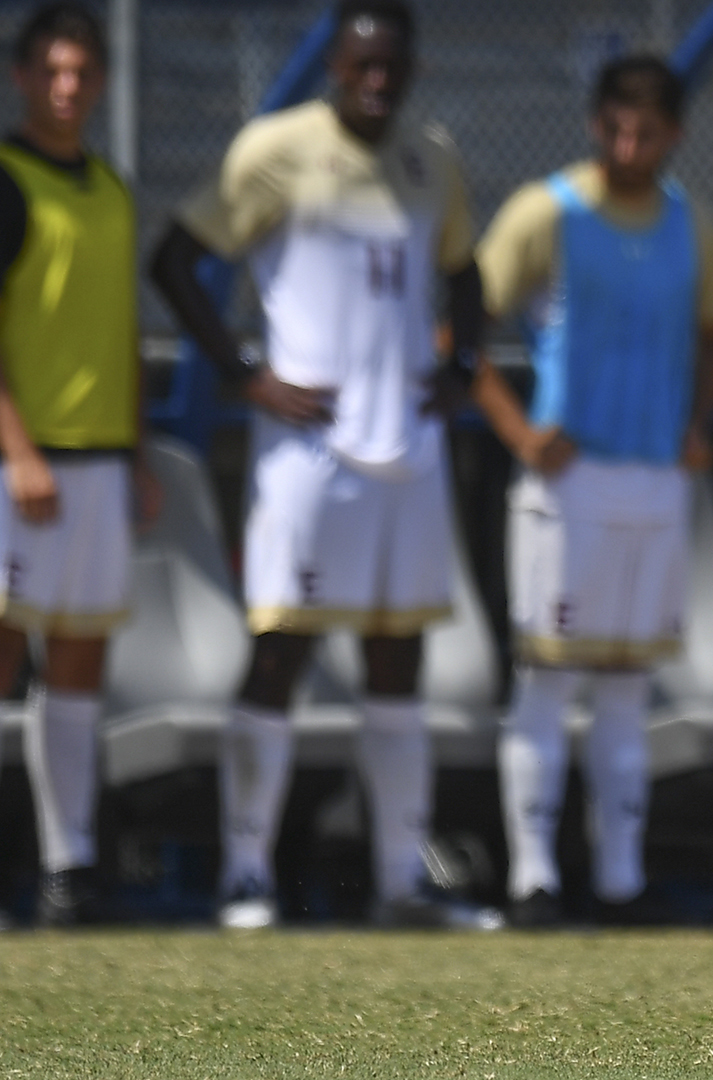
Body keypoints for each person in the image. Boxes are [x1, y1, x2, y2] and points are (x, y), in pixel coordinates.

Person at [149, 0, 496, 930]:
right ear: (335, 67)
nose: (376, 81)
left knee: (399, 658)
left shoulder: (432, 158)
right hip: (309, 453)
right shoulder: (272, 149)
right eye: (360, 66)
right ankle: (247, 874)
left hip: (408, 449)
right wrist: (245, 375)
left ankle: (399, 882)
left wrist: (461, 368)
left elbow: (467, 273)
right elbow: (177, 260)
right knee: (282, 648)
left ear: (409, 68)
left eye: (391, 67)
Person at [469, 55, 713, 928]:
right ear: (596, 124)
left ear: (675, 135)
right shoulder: (549, 211)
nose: (629, 146)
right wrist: (516, 428)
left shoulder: (689, 220)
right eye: (616, 128)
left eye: (647, 132)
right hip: (566, 480)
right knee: (547, 678)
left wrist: (697, 424)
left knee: (626, 685)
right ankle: (533, 879)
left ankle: (620, 880)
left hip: (654, 476)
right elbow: (464, 322)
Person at [0, 2, 156, 926]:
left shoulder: (113, 188)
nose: (69, 88)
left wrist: (132, 453)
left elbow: (122, 331)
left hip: (98, 463)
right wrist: (17, 450)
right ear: (23, 78)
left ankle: (70, 868)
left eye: (83, 73)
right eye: (52, 71)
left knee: (80, 669)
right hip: (24, 465)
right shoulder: (7, 178)